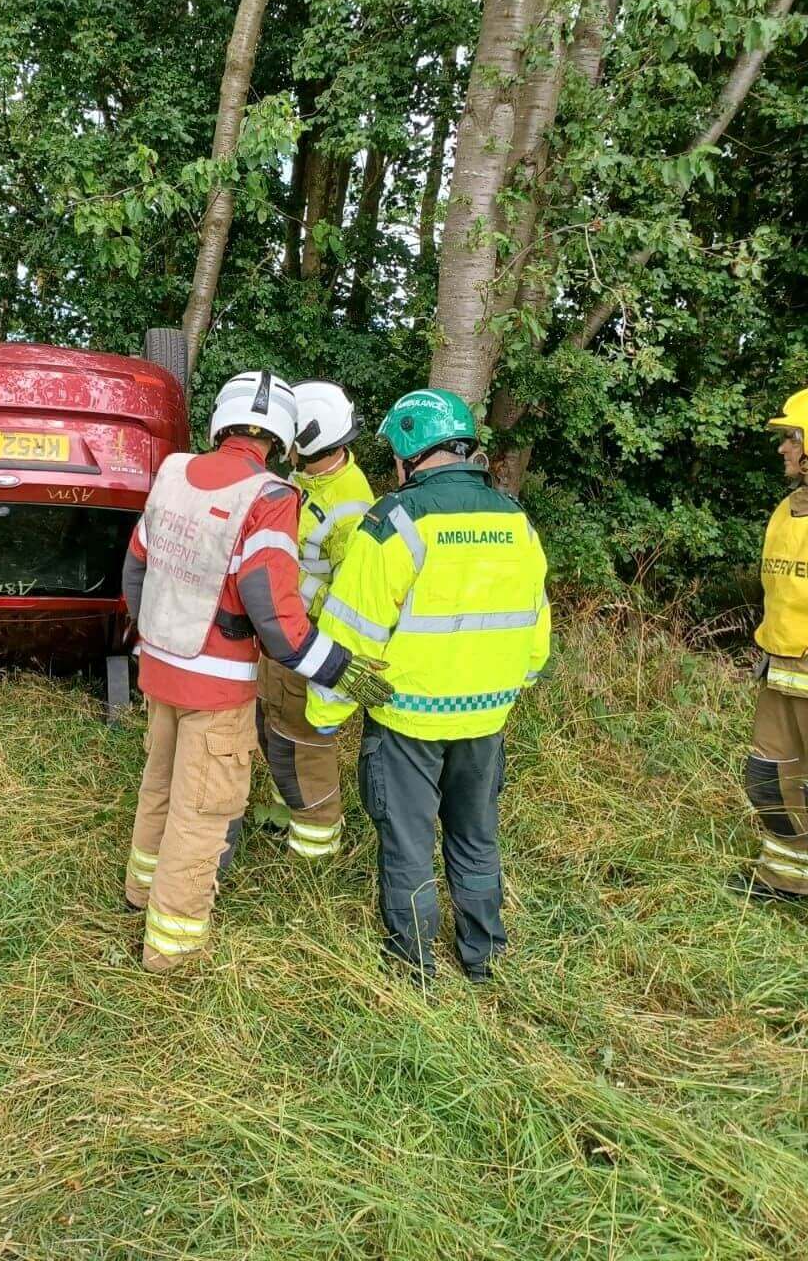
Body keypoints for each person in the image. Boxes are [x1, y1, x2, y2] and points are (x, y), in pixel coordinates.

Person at [121, 370, 392, 973]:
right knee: (204, 810)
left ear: (221, 420)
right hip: (217, 689)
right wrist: (338, 668)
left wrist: (154, 640)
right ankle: (173, 949)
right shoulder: (270, 497)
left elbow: (135, 571)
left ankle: (138, 892)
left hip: (159, 672)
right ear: (282, 436)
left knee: (159, 784)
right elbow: (275, 613)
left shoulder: (172, 473)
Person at [308, 388, 550, 984]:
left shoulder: (394, 520)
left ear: (409, 453)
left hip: (405, 720)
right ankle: (483, 958)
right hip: (487, 718)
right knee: (475, 840)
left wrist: (325, 712)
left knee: (409, 847)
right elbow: (535, 629)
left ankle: (412, 968)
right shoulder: (514, 519)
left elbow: (350, 635)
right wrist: (507, 686)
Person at [256, 380, 374, 861]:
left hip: (308, 642)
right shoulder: (309, 480)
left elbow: (351, 597)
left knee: (301, 742)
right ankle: (290, 813)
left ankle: (316, 846)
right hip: (281, 631)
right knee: (273, 728)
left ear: (307, 440)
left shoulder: (352, 508)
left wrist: (288, 583)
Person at [732, 390, 808, 903]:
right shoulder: (788, 509)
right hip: (781, 667)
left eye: (792, 437)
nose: (782, 447)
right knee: (770, 778)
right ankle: (787, 880)